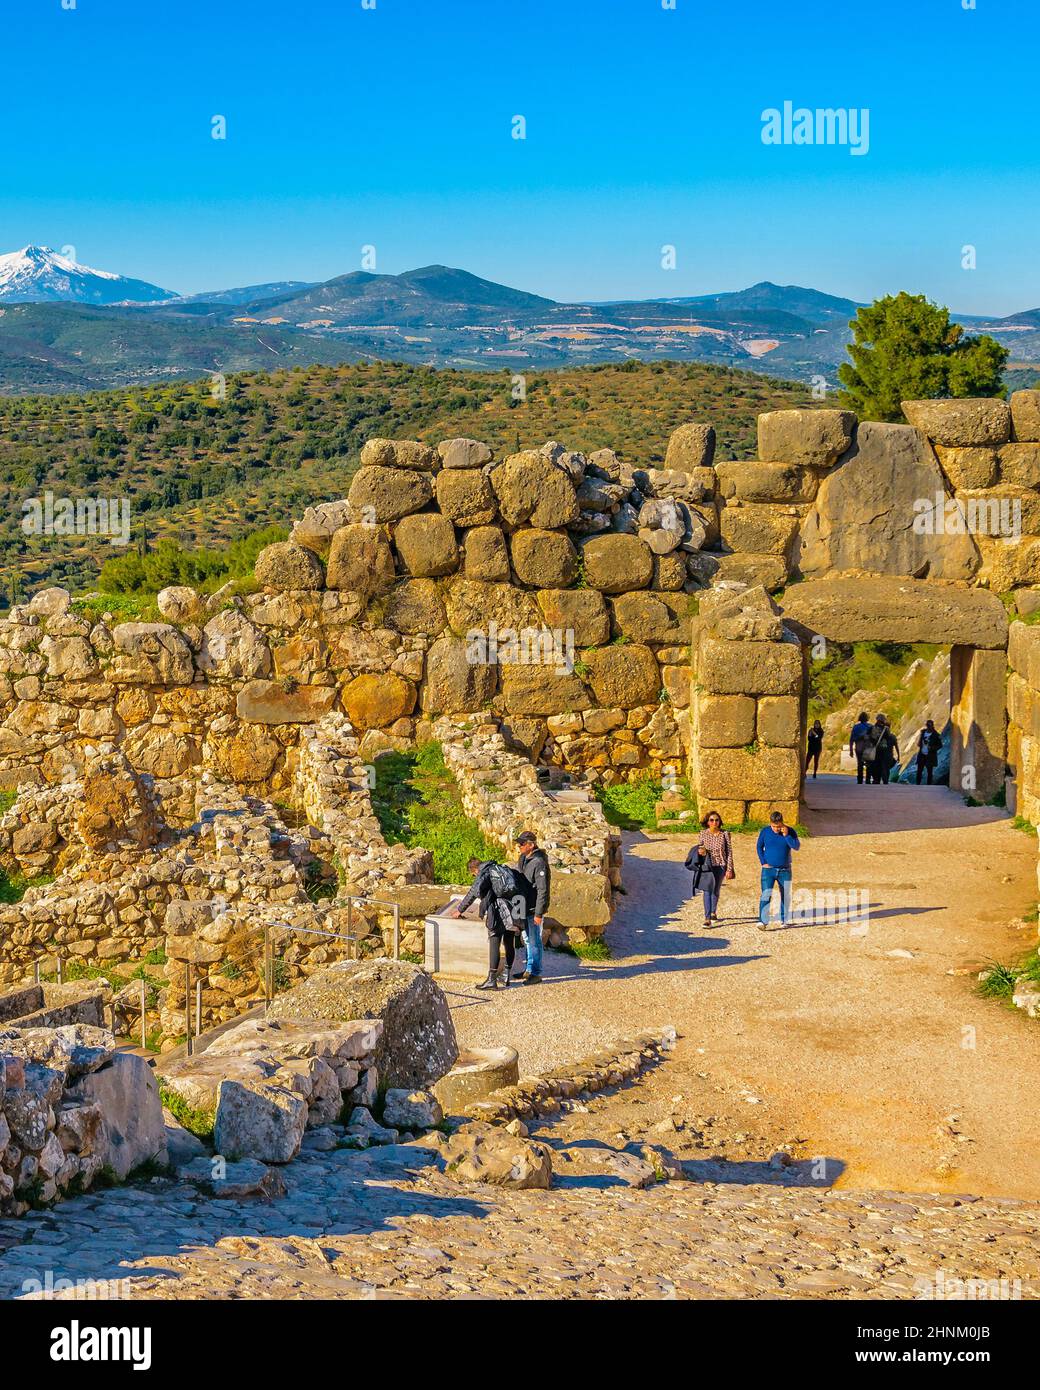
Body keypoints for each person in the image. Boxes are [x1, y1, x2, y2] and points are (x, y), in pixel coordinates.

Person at [449, 857, 527, 991]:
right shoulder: (500, 867)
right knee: (509, 942)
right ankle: (506, 976)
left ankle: (491, 980)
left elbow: (473, 893)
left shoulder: (483, 873)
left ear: (474, 870)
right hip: (512, 908)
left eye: (473, 874)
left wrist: (459, 910)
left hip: (497, 911)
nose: (474, 876)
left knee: (494, 944)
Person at [684, 810, 735, 928]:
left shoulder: (725, 834)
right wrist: (701, 851)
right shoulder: (703, 834)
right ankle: (707, 918)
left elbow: (729, 852)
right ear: (708, 822)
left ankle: (713, 911)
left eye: (717, 820)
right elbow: (700, 848)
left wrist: (729, 868)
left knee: (715, 890)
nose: (714, 822)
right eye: (711, 820)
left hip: (721, 865)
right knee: (707, 890)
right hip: (707, 866)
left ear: (719, 822)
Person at [514, 829, 550, 984]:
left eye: (522, 844)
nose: (520, 846)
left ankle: (536, 973)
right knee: (528, 939)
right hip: (525, 904)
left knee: (534, 940)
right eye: (519, 843)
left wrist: (539, 913)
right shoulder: (524, 858)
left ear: (531, 844)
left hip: (533, 908)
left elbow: (543, 889)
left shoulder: (539, 862)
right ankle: (528, 969)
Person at [756, 810, 800, 929]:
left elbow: (796, 846)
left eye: (778, 826)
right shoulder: (765, 831)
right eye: (774, 826)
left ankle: (784, 920)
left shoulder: (790, 831)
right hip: (768, 870)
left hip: (785, 870)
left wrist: (787, 836)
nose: (776, 829)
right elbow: (759, 846)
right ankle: (762, 921)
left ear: (782, 823)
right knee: (766, 894)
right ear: (770, 823)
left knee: (785, 895)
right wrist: (763, 862)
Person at [871, 715, 899, 785]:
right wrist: (898, 755)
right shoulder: (890, 735)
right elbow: (895, 745)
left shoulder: (876, 730)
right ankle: (884, 780)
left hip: (879, 753)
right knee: (885, 768)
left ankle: (877, 780)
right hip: (886, 754)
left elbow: (871, 739)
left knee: (878, 767)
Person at [849, 711, 873, 785]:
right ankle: (868, 780)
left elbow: (851, 739)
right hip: (869, 748)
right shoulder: (871, 726)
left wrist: (851, 750)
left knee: (860, 764)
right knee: (869, 765)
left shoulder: (856, 727)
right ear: (867, 718)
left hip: (859, 748)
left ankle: (860, 780)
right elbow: (875, 738)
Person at [916, 719, 943, 785]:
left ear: (932, 726)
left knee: (929, 772)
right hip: (922, 754)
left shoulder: (936, 735)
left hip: (930, 755)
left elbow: (940, 745)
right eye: (928, 725)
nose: (929, 727)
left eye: (930, 725)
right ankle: (917, 784)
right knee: (919, 771)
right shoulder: (923, 732)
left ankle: (929, 785)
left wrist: (932, 748)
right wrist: (920, 742)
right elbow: (919, 743)